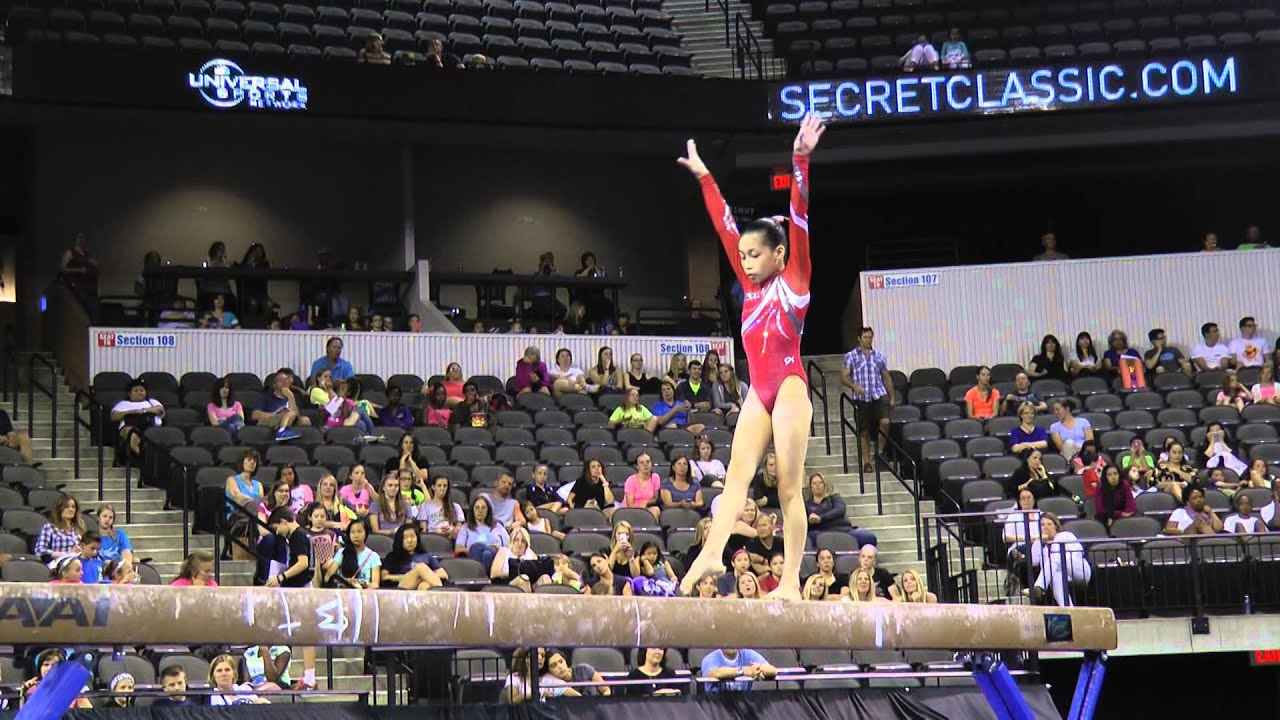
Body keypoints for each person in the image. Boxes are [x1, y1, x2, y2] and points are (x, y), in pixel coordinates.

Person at [675, 115, 825, 601]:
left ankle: (789, 583)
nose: (746, 260)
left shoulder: (794, 281)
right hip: (757, 392)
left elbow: (799, 215)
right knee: (734, 479)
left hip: (788, 388)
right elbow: (723, 224)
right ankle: (712, 551)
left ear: (780, 255)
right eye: (743, 255)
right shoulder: (749, 288)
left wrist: (800, 158)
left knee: (787, 488)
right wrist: (705, 178)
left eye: (755, 254)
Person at [841, 326, 894, 474]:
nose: (868, 340)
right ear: (859, 338)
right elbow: (844, 376)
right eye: (865, 337)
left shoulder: (879, 356)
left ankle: (880, 452)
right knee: (863, 430)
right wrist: (853, 386)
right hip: (861, 397)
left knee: (885, 422)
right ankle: (866, 462)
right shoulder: (851, 356)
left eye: (870, 337)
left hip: (878, 393)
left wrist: (892, 397)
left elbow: (886, 376)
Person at [700, 648, 777, 693]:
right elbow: (714, 673)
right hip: (716, 708)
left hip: (742, 706)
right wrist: (743, 671)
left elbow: (773, 671)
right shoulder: (710, 658)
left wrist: (758, 669)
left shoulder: (748, 654)